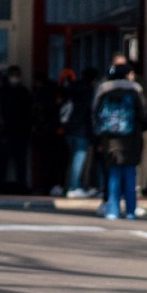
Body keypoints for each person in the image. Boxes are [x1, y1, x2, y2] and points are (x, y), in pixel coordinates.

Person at [92, 63, 147, 220]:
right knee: (130, 174)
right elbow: (142, 114)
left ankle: (112, 209)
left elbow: (95, 114)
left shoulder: (104, 90)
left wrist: (99, 136)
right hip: (131, 138)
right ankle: (131, 210)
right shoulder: (135, 90)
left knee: (113, 174)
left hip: (110, 139)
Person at [0, 65, 32, 194]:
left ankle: (22, 186)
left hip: (20, 132)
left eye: (16, 75)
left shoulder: (23, 92)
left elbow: (28, 112)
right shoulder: (3, 92)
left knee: (21, 161)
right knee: (3, 160)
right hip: (6, 131)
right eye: (13, 75)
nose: (14, 78)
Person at [61, 68, 96, 198]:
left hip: (69, 129)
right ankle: (74, 187)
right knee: (78, 160)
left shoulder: (72, 89)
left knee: (72, 160)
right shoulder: (88, 92)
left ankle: (73, 185)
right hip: (81, 130)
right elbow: (88, 115)